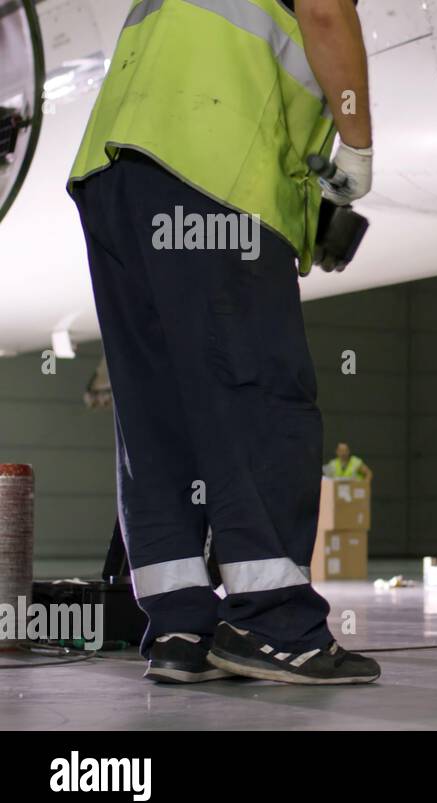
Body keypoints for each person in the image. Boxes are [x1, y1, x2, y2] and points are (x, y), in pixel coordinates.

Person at [67, 0, 380, 685]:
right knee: (260, 392)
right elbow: (327, 12)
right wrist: (355, 146)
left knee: (158, 409)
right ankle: (274, 625)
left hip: (111, 175)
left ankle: (180, 624)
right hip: (206, 163)